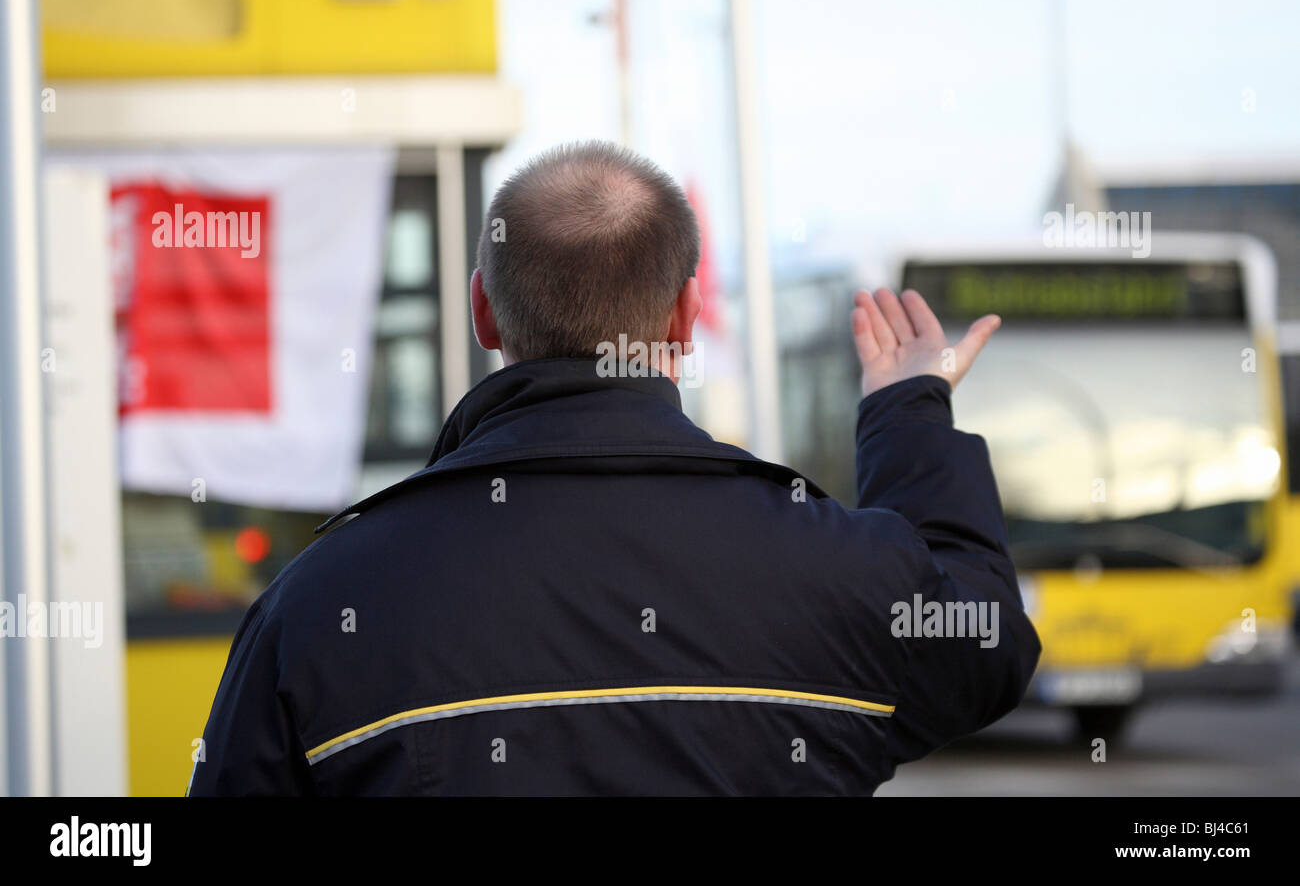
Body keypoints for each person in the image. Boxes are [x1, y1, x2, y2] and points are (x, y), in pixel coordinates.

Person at [189, 141, 1040, 795]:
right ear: (686, 316)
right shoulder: (838, 573)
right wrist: (908, 412)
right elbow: (986, 640)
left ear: (485, 310)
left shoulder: (321, 604)